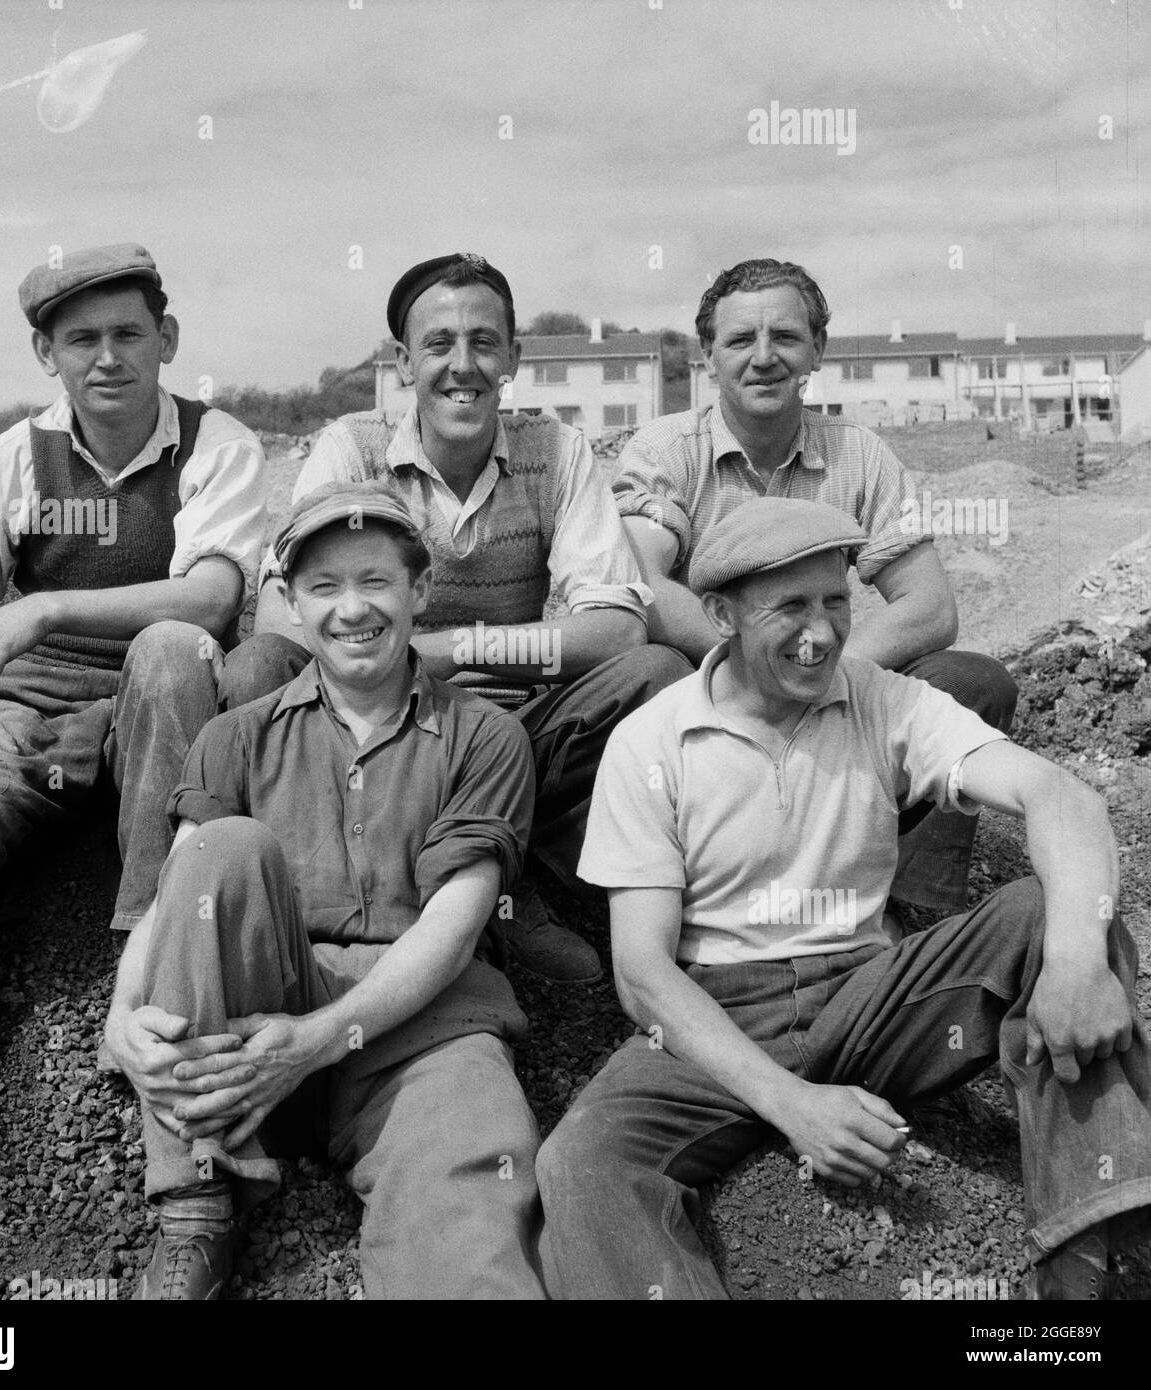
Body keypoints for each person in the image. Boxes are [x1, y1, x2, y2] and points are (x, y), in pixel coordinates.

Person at [535, 497, 1151, 1300]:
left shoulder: (879, 698)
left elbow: (1060, 796)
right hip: (715, 1010)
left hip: (867, 994)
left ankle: (1094, 1281)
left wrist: (1073, 963)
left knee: (1060, 913)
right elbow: (644, 974)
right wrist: (794, 1106)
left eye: (836, 602)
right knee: (581, 1163)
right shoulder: (652, 744)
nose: (820, 632)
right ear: (720, 614)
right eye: (788, 607)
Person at [0, 244, 266, 1188]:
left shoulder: (219, 444)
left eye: (129, 333)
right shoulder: (16, 457)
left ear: (166, 339)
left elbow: (210, 598)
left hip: (157, 708)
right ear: (48, 354)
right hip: (31, 711)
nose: (108, 357)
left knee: (171, 653)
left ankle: (151, 964)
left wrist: (41, 606)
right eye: (80, 338)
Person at [105, 481, 545, 1300]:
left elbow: (452, 927)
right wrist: (121, 1017)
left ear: (419, 592)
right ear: (290, 605)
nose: (353, 610)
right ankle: (198, 1201)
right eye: (324, 587)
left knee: (475, 1222)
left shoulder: (488, 736)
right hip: (252, 1018)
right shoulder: (233, 736)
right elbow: (179, 895)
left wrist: (318, 1040)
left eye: (375, 582)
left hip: (420, 1025)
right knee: (226, 845)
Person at [227, 252, 691, 983]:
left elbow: (617, 628)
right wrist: (411, 669)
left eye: (483, 342)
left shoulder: (557, 452)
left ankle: (514, 879)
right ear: (405, 363)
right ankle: (313, 893)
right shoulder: (353, 448)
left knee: (658, 676)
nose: (462, 365)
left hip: (514, 732)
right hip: (371, 726)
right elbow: (283, 621)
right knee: (258, 672)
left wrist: (457, 649)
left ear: (514, 356)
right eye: (439, 344)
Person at [614, 258, 1017, 916]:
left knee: (973, 681)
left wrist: (823, 675)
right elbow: (640, 582)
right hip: (711, 703)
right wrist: (749, 677)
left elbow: (930, 606)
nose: (764, 358)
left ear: (817, 351)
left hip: (822, 691)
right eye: (741, 340)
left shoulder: (860, 454)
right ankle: (676, 896)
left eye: (787, 339)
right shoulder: (665, 449)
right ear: (706, 356)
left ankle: (911, 909)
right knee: (646, 669)